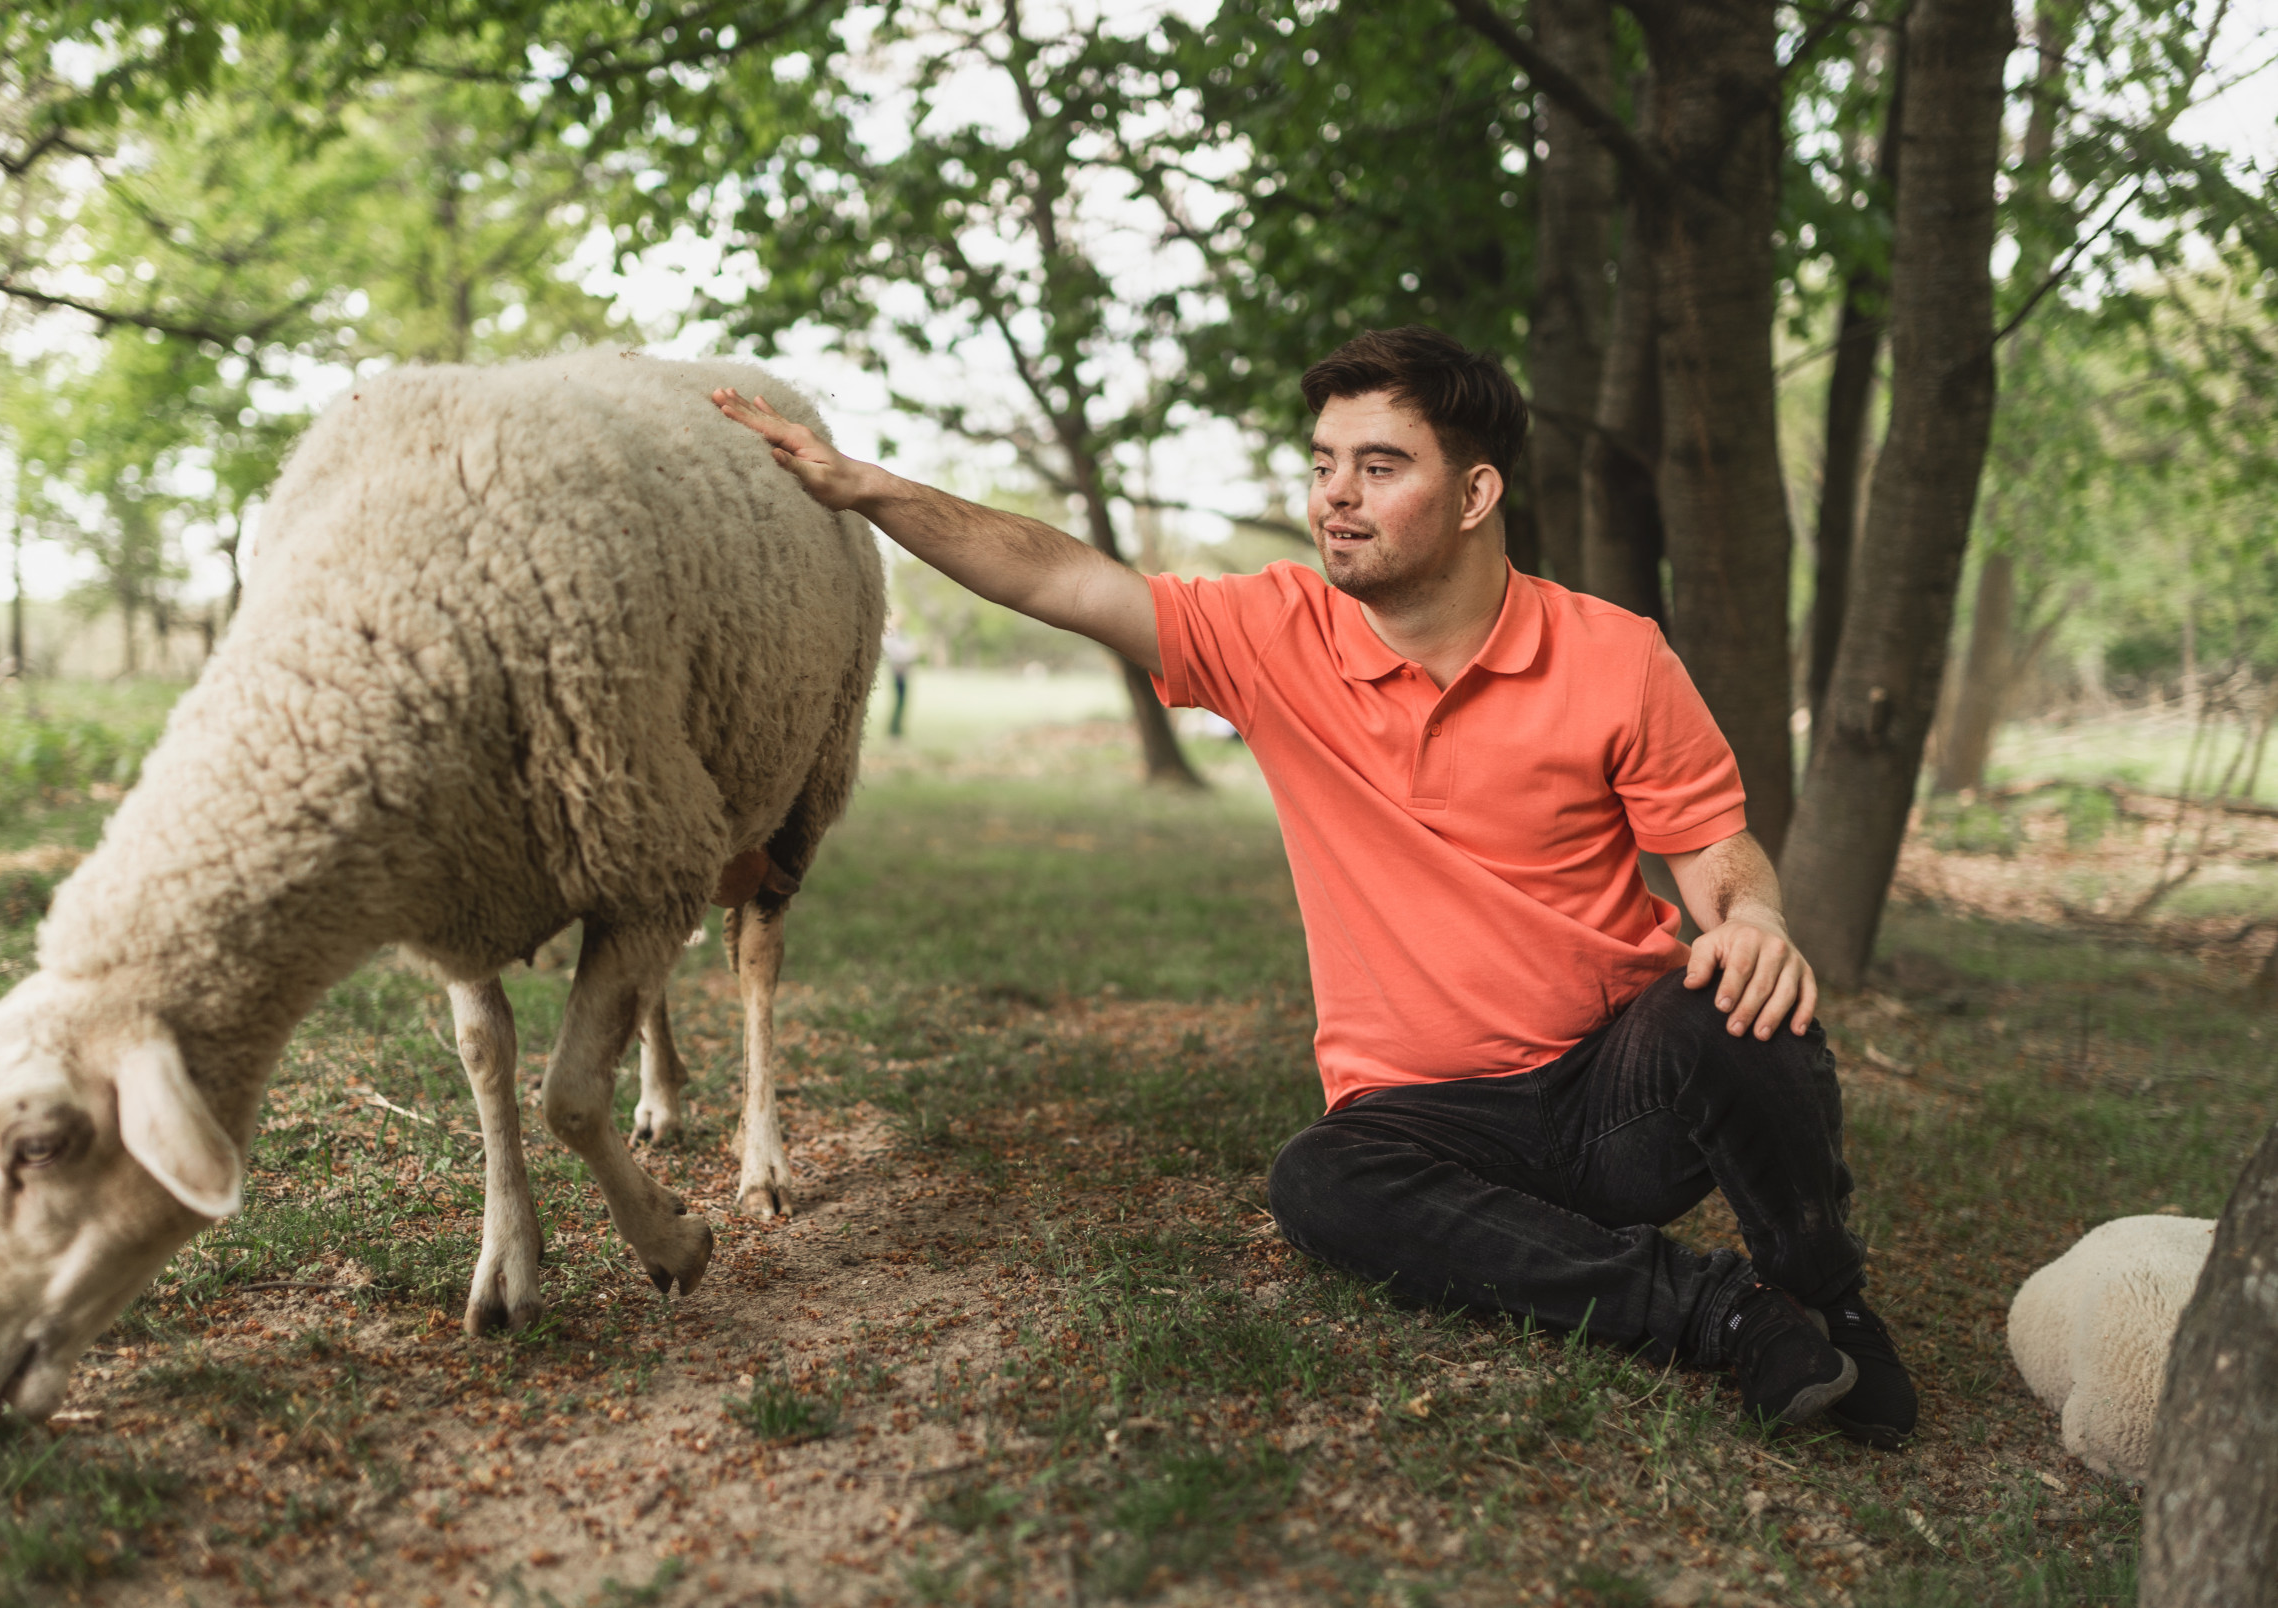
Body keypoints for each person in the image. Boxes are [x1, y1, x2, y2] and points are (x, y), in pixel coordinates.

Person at [710, 326, 1916, 1447]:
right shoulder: (1273, 631)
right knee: (1320, 1183)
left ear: (1476, 492)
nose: (1333, 494)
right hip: (1426, 1117)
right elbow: (1056, 577)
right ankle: (1729, 1318)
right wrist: (867, 487)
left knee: (1749, 998)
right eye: (1323, 462)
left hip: (1617, 1083)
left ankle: (1828, 1300)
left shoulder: (1615, 654)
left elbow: (1711, 845)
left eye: (1378, 465)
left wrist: (1752, 916)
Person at [883, 622, 921, 739]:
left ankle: (897, 729)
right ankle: (893, 729)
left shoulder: (903, 635)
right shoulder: (892, 636)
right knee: (898, 702)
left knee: (902, 702)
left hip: (903, 672)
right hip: (897, 672)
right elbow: (898, 654)